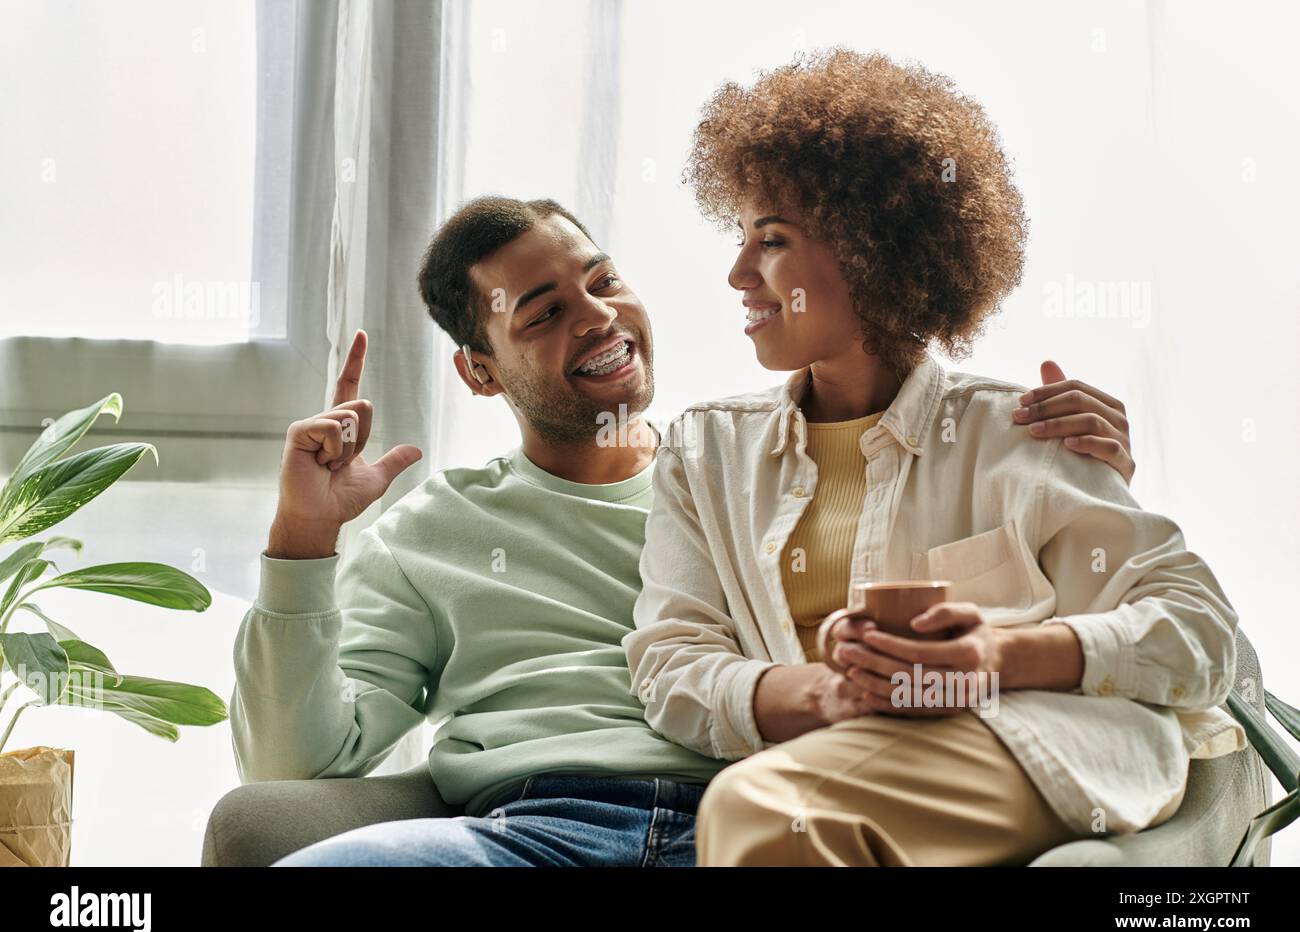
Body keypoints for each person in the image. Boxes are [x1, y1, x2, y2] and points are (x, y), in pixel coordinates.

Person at [231, 194, 1141, 867]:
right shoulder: (432, 534)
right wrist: (301, 542)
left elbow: (997, 585)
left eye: (603, 281)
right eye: (544, 312)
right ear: (480, 372)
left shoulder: (749, 474)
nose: (597, 317)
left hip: (764, 822)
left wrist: (1079, 480)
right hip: (528, 834)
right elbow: (299, 762)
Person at [621, 48, 1246, 866]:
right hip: (832, 761)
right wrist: (824, 696)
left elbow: (1201, 631)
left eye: (769, 239)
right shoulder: (706, 452)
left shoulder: (1023, 431)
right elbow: (671, 659)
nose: (739, 271)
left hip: (1028, 747)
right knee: (776, 807)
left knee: (763, 808)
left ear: (869, 247)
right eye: (740, 239)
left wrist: (995, 657)